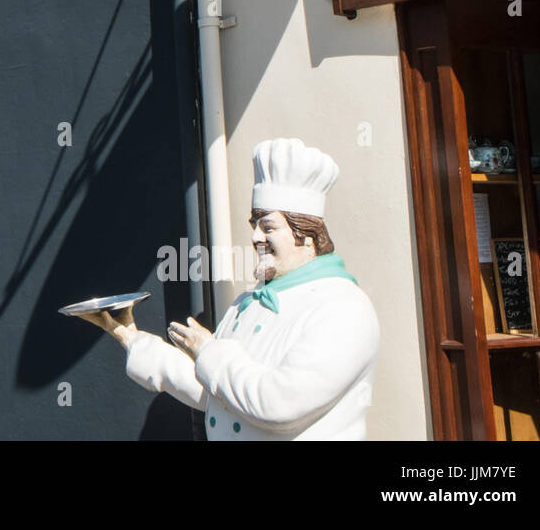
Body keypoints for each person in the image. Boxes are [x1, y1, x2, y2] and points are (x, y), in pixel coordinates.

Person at [82, 138, 379, 439]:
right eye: (254, 224)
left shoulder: (344, 308)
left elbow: (279, 405)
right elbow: (217, 393)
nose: (255, 237)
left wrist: (209, 352)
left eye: (268, 226)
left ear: (306, 236)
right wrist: (132, 338)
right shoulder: (248, 303)